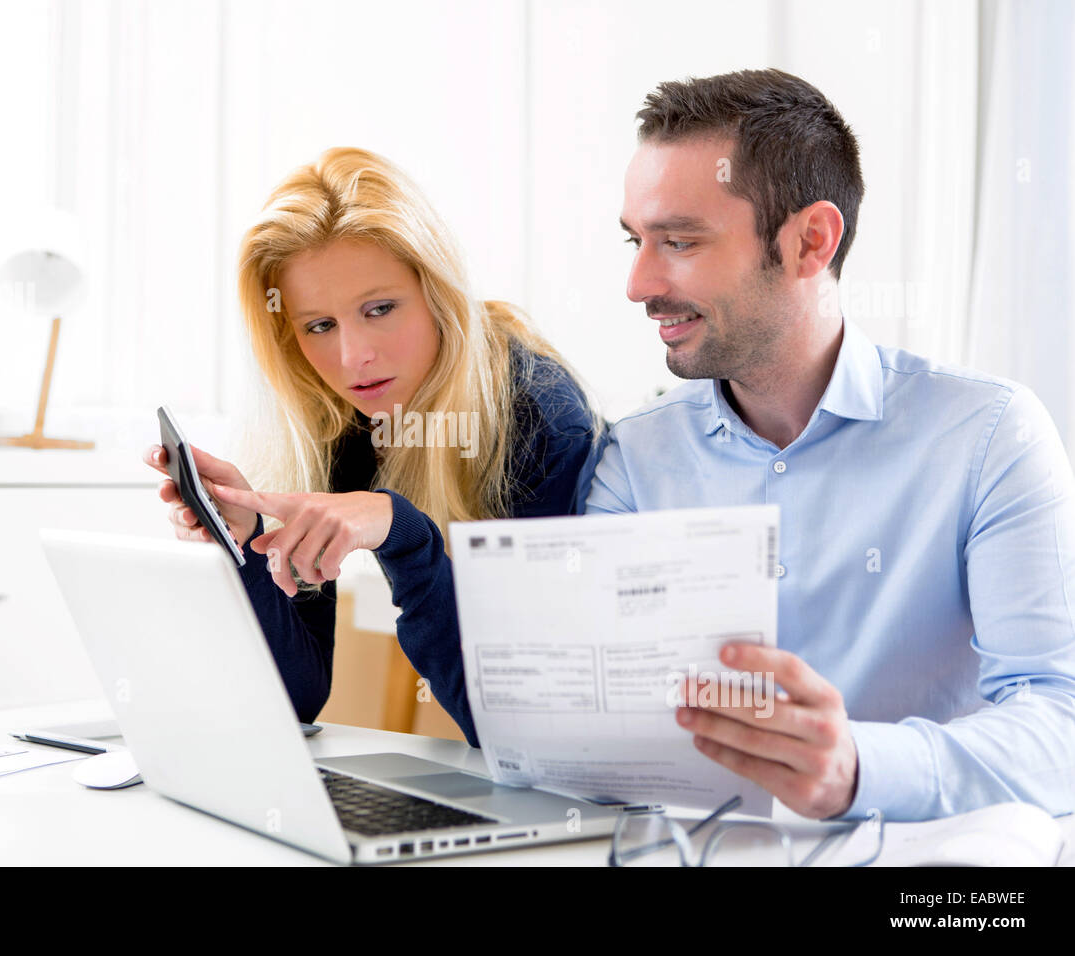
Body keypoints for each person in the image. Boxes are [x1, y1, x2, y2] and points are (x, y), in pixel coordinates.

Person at [589, 68, 1075, 821]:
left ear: (811, 240)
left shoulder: (989, 438)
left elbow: (1060, 727)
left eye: (679, 241)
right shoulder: (633, 460)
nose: (638, 283)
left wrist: (858, 767)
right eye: (637, 241)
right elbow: (596, 714)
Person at [145, 147, 602, 747]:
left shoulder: (540, 419)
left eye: (380, 309)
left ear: (436, 292)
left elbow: (518, 728)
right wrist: (247, 543)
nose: (352, 357)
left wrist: (402, 533)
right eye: (319, 326)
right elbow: (298, 697)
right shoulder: (341, 411)